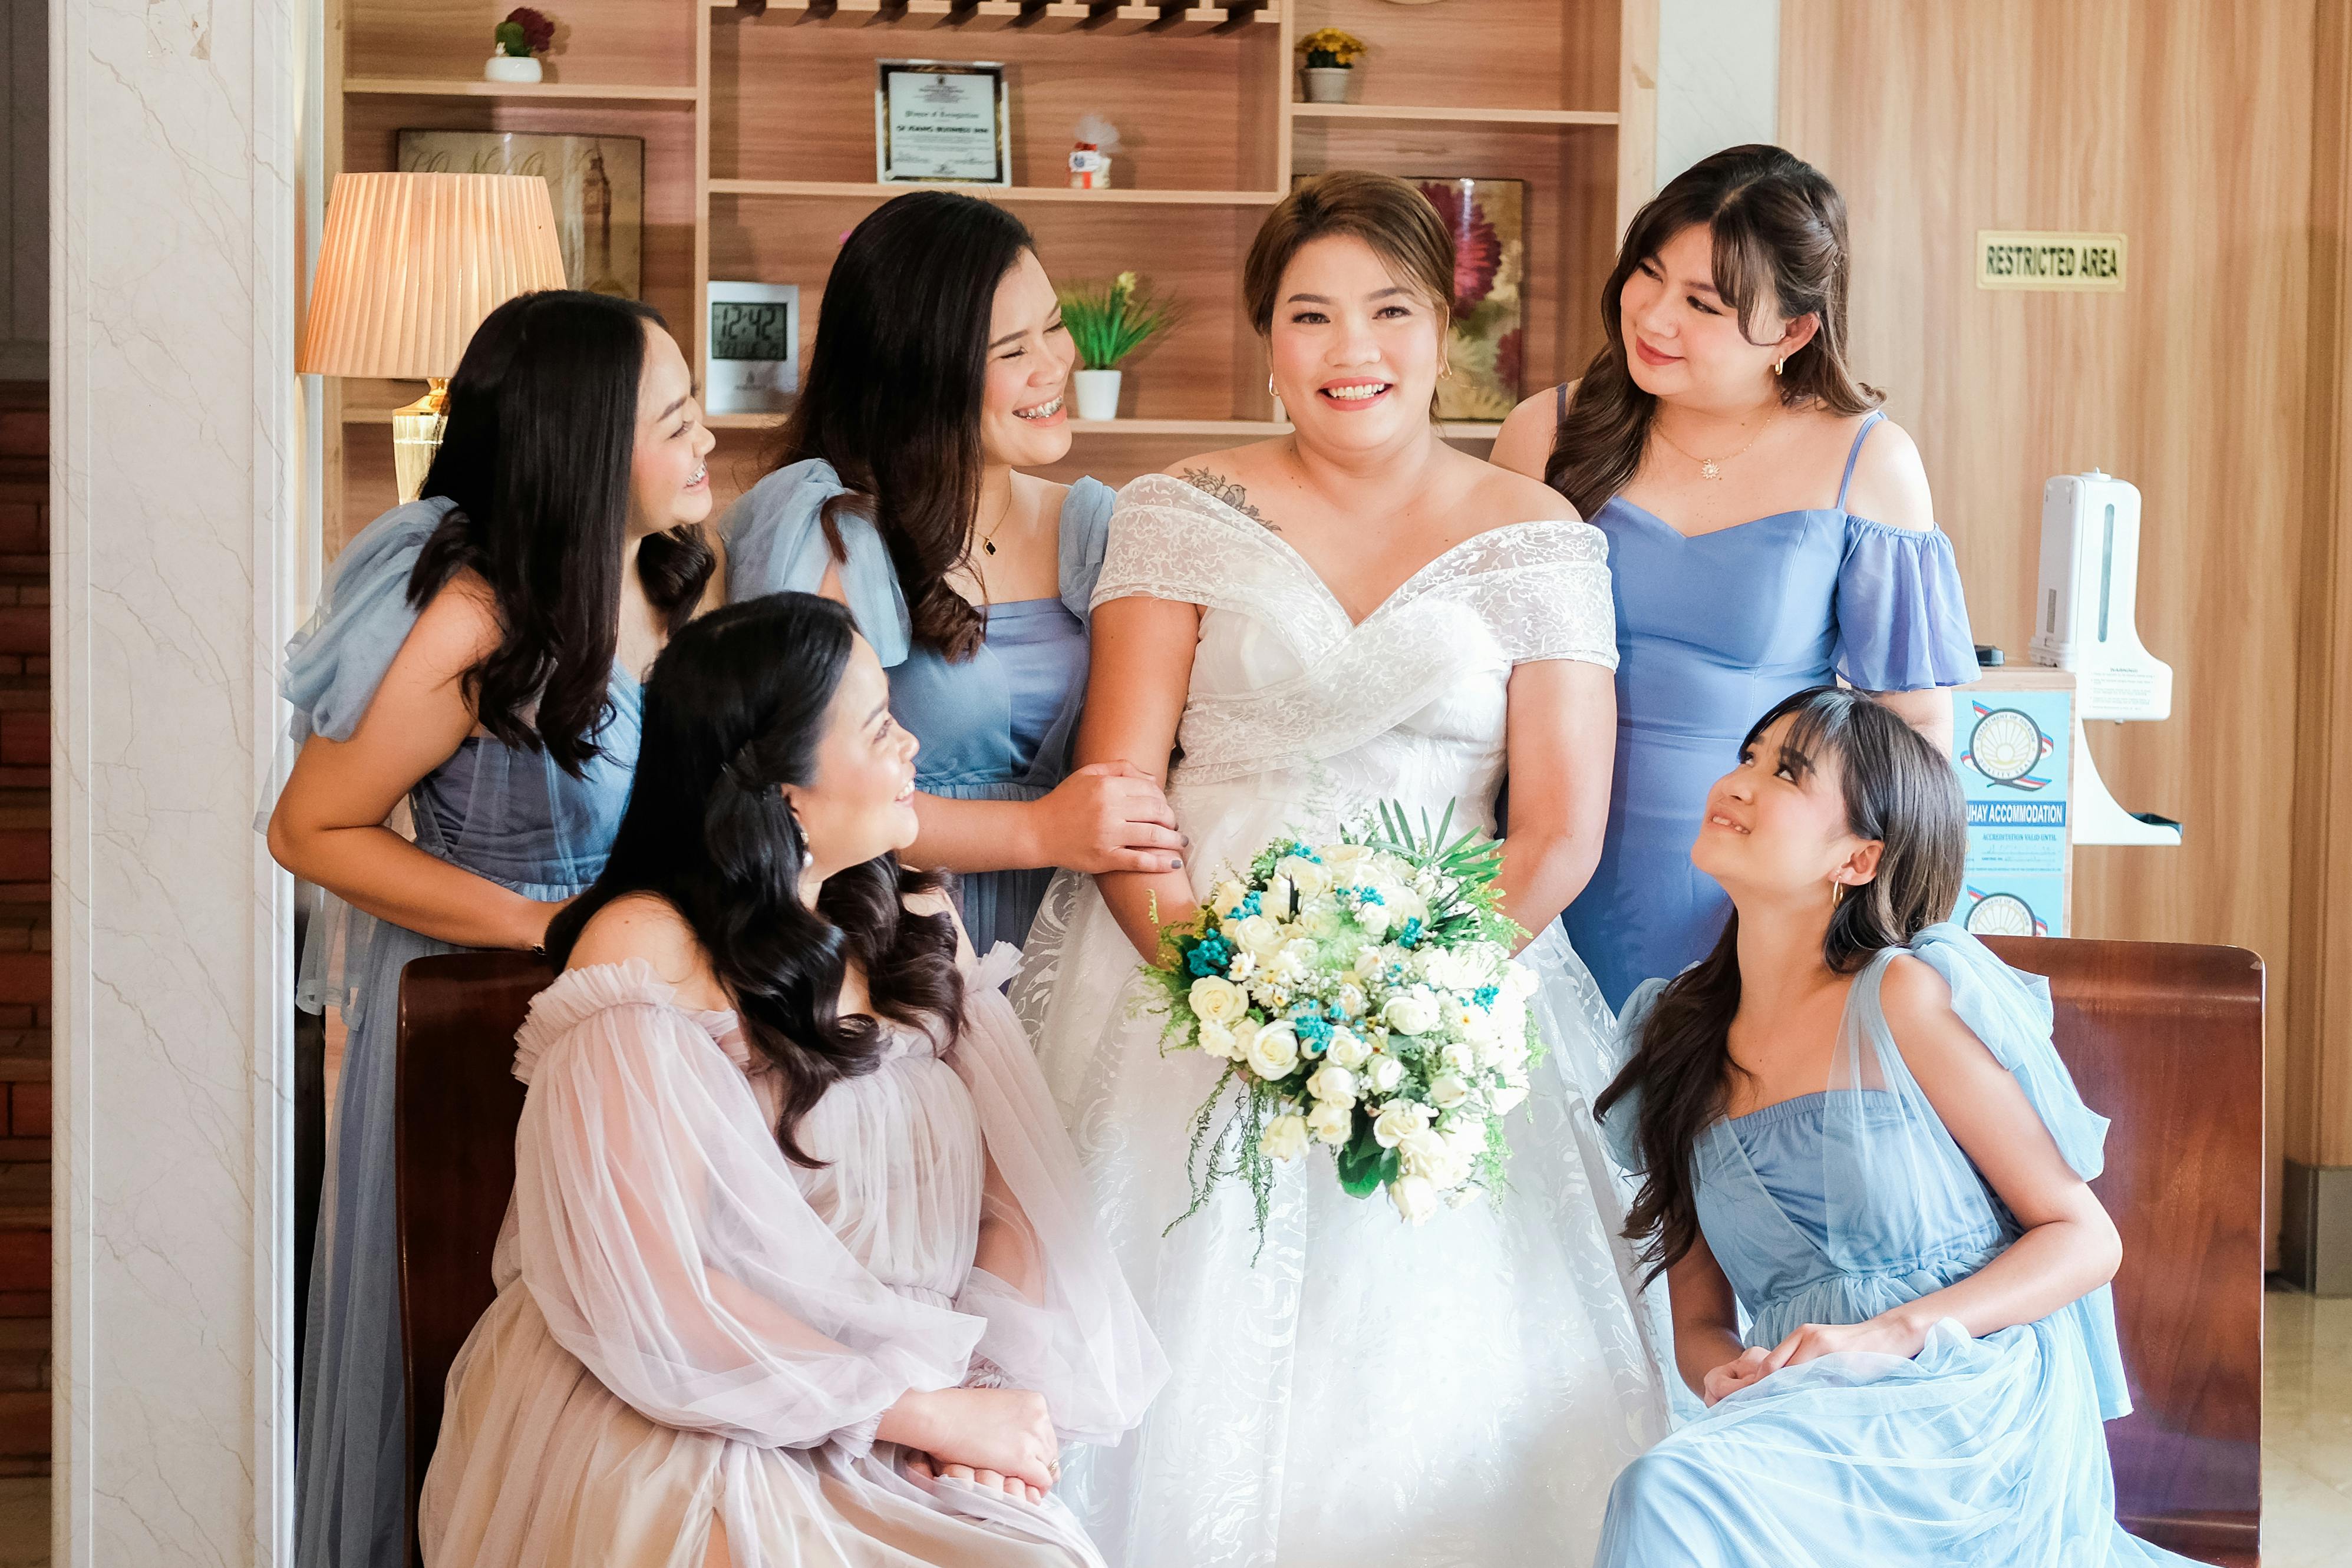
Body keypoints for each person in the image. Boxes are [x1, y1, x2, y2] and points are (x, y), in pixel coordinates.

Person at [1009, 170, 1667, 1567]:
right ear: (1267, 339)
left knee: (1429, 1354)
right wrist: (1220, 982)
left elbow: (1556, 830)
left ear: (1444, 330)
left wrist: (1400, 1006)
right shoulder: (1179, 508)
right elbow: (1120, 790)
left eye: (1386, 311)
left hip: (1451, 987)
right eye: (1309, 315)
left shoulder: (1541, 537)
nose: (1348, 351)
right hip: (1182, 974)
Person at [419, 593, 1166, 1568]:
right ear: (785, 793)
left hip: (902, 1408)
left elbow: (1008, 1214)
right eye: (875, 726)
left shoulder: (914, 924)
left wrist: (971, 1400)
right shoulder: (648, 951)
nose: (910, 745)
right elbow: (652, 1289)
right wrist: (915, 1411)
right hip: (684, 1405)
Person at [268, 290, 718, 1568]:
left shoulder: (666, 570)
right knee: (482, 1357)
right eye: (677, 419)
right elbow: (312, 830)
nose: (708, 442)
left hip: (637, 1009)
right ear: (583, 443)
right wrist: (544, 924)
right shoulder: (471, 614)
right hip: (479, 1018)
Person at [1592, 686, 2198, 1567]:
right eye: (1749, 756)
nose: (1742, 782)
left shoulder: (1902, 996)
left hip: (1964, 1394)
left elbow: (2083, 1237)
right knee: (1666, 1490)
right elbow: (1701, 1318)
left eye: (1788, 772)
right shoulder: (1673, 1044)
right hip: (1803, 1408)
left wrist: (1886, 1337)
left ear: (1859, 857)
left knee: (1664, 1495)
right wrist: (1724, 1371)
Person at [1490, 145, 1979, 1011]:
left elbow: (1915, 728)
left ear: (1794, 331)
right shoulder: (1547, 434)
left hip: (1750, 889)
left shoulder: (1864, 462)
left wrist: (1868, 921)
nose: (1655, 317)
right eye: (1649, 273)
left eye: (1704, 304)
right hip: (1539, 859)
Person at [724, 191, 1179, 955]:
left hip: (1077, 951)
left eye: (1055, 327)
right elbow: (798, 803)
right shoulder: (835, 534)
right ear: (920, 375)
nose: (1055, 365)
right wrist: (1041, 829)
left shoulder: (1098, 526)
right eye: (1012, 352)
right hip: (897, 954)